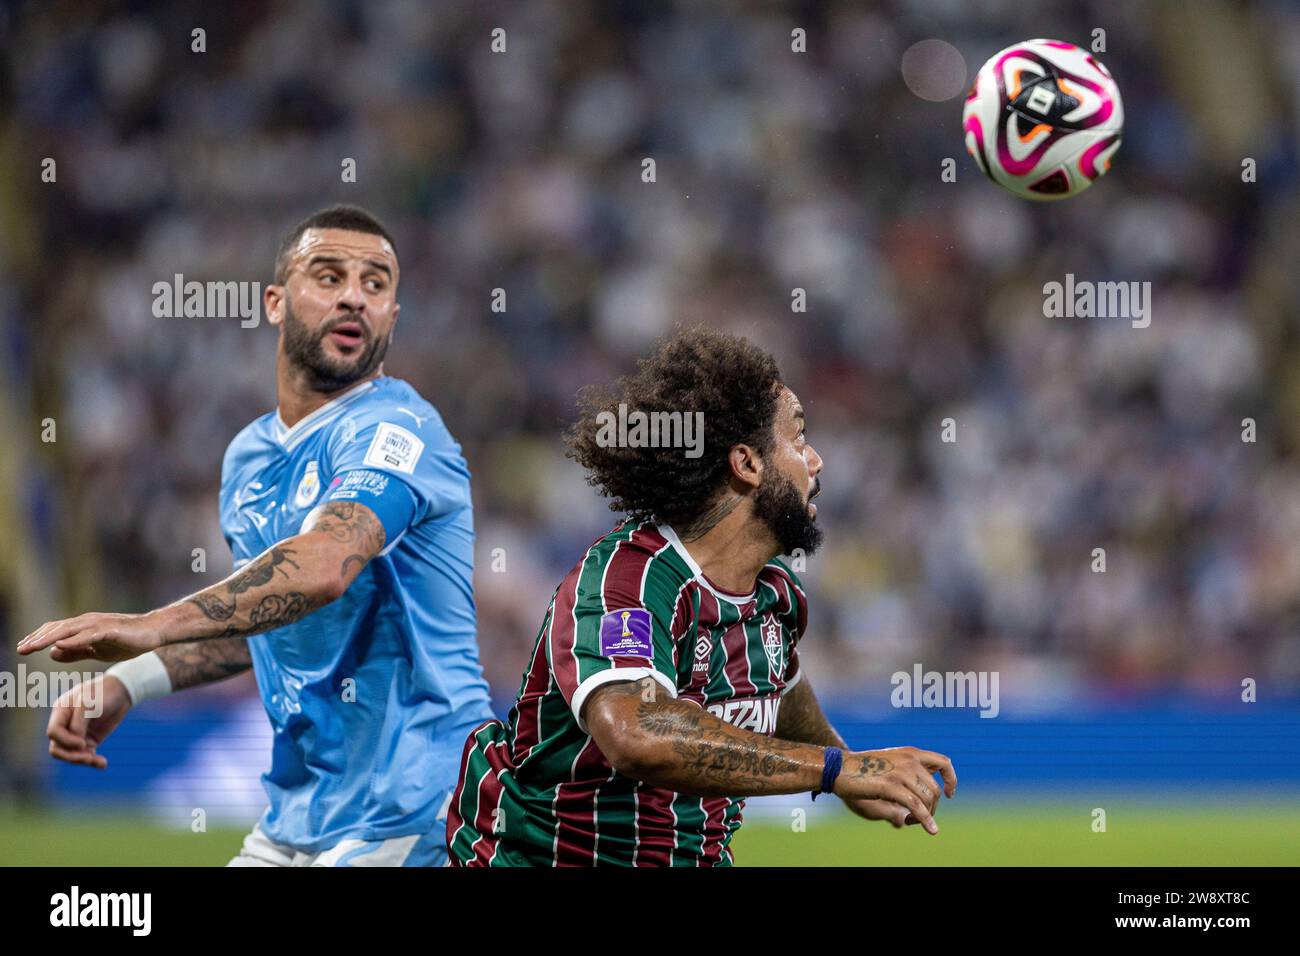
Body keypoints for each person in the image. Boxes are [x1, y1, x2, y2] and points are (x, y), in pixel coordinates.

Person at [19, 204, 492, 867]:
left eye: (376, 283)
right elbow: (269, 620)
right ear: (275, 302)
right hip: (299, 815)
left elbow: (324, 566)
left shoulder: (399, 431)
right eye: (328, 276)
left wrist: (154, 623)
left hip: (417, 805)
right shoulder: (249, 458)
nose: (354, 296)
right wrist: (132, 682)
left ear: (392, 316)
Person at [447, 327, 956, 866]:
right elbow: (635, 732)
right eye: (799, 438)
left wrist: (853, 768)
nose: (817, 462)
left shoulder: (776, 593)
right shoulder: (629, 579)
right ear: (748, 463)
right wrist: (835, 770)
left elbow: (779, 683)